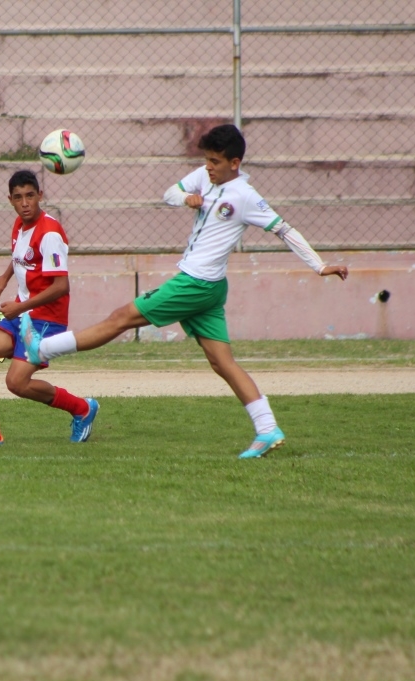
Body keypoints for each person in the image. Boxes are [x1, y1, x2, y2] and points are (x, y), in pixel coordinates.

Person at [21, 124, 348, 459]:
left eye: (216, 162)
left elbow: (284, 230)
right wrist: (187, 198)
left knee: (120, 318)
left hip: (195, 284)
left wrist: (319, 266)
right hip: (210, 288)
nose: (209, 167)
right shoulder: (206, 177)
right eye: (206, 160)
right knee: (222, 363)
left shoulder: (246, 197)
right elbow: (170, 193)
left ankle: (43, 349)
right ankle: (267, 429)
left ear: (234, 163)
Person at [0, 169, 99, 447]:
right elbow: (22, 258)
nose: (25, 203)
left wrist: (20, 306)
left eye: (30, 196)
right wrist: (3, 278)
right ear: (10, 200)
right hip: (22, 314)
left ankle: (82, 409)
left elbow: (61, 287)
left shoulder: (49, 233)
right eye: (18, 197)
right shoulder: (19, 224)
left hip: (45, 319)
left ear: (40, 195)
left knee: (16, 384)